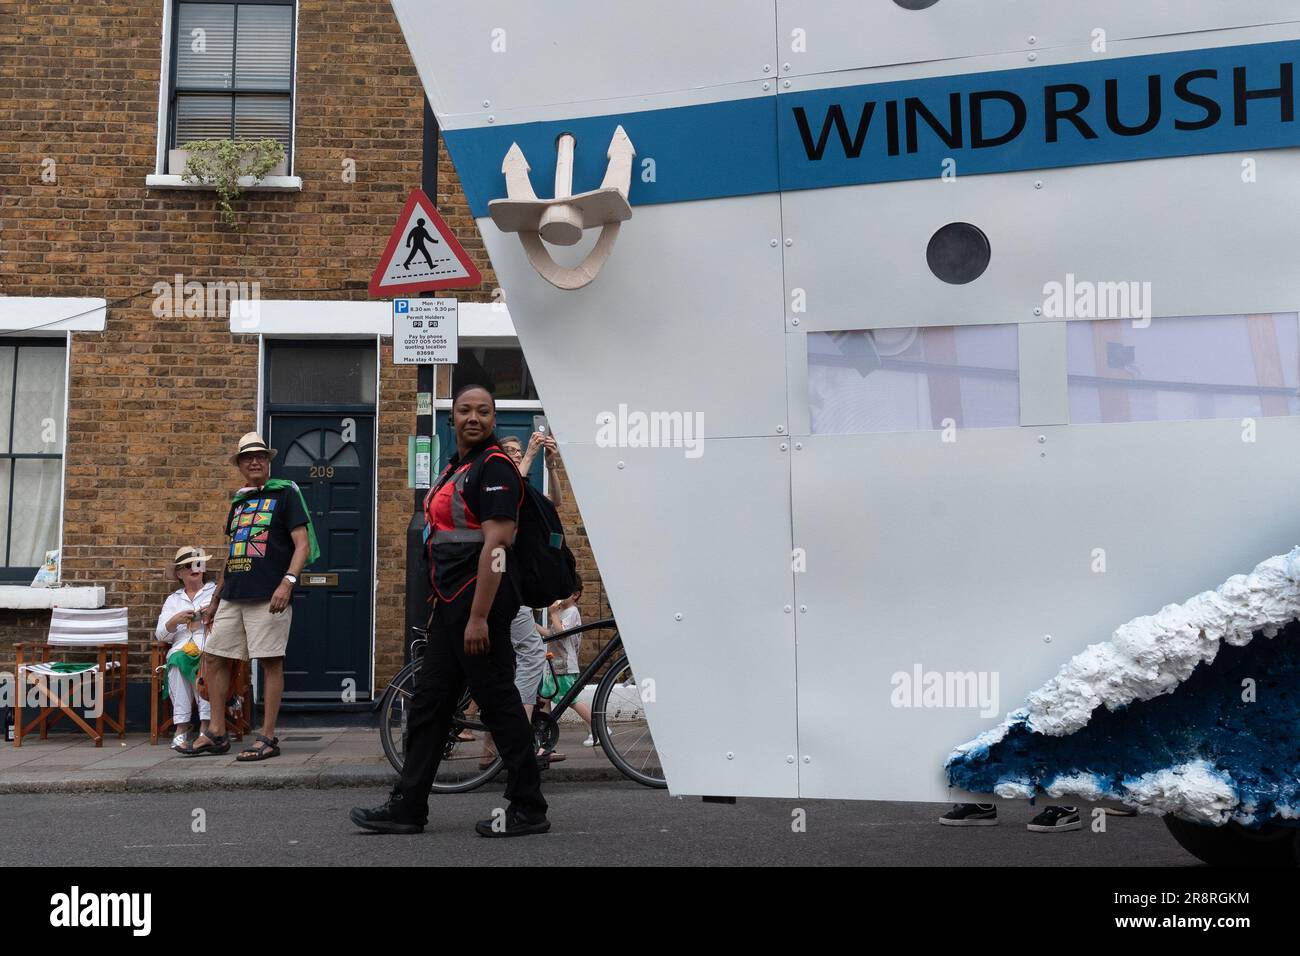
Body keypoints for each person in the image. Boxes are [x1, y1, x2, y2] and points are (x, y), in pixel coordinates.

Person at [351, 385, 549, 837]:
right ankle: (409, 805)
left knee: (498, 703)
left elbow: (497, 547)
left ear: (494, 419)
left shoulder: (496, 468)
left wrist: (479, 616)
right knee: (429, 705)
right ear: (452, 418)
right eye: (465, 410)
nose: (473, 417)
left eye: (483, 410)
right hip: (451, 606)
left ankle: (529, 806)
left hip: (479, 606)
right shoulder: (457, 467)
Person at [179, 432, 317, 761]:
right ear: (240, 464)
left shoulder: (286, 495)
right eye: (247, 457)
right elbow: (233, 552)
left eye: (260, 456)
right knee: (214, 657)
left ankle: (267, 737)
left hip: (269, 594)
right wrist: (215, 599)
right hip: (233, 595)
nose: (254, 461)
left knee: (270, 661)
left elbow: (303, 545)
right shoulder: (239, 501)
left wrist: (288, 582)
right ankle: (215, 732)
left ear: (268, 462)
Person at [476, 434, 547, 769]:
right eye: (513, 452)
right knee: (532, 655)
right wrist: (530, 454)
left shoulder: (520, 485)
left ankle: (492, 747)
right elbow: (507, 497)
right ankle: (518, 740)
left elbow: (553, 505)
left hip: (513, 584)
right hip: (502, 586)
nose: (518, 456)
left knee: (503, 666)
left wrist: (554, 467)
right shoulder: (499, 479)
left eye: (521, 451)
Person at [155, 547, 217, 750]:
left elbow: (228, 624)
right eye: (188, 566)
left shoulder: (215, 593)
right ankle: (181, 726)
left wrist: (210, 615)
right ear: (179, 573)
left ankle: (206, 727)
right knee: (175, 662)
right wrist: (175, 620)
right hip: (182, 645)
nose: (194, 568)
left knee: (205, 664)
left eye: (197, 564)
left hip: (208, 644)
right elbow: (161, 635)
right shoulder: (173, 600)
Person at [537, 584, 593, 757]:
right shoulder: (561, 612)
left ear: (575, 595)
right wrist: (532, 625)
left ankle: (598, 728)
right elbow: (550, 633)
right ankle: (543, 734)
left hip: (565, 665)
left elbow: (562, 634)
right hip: (554, 665)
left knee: (572, 700)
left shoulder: (572, 612)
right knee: (545, 699)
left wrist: (553, 614)